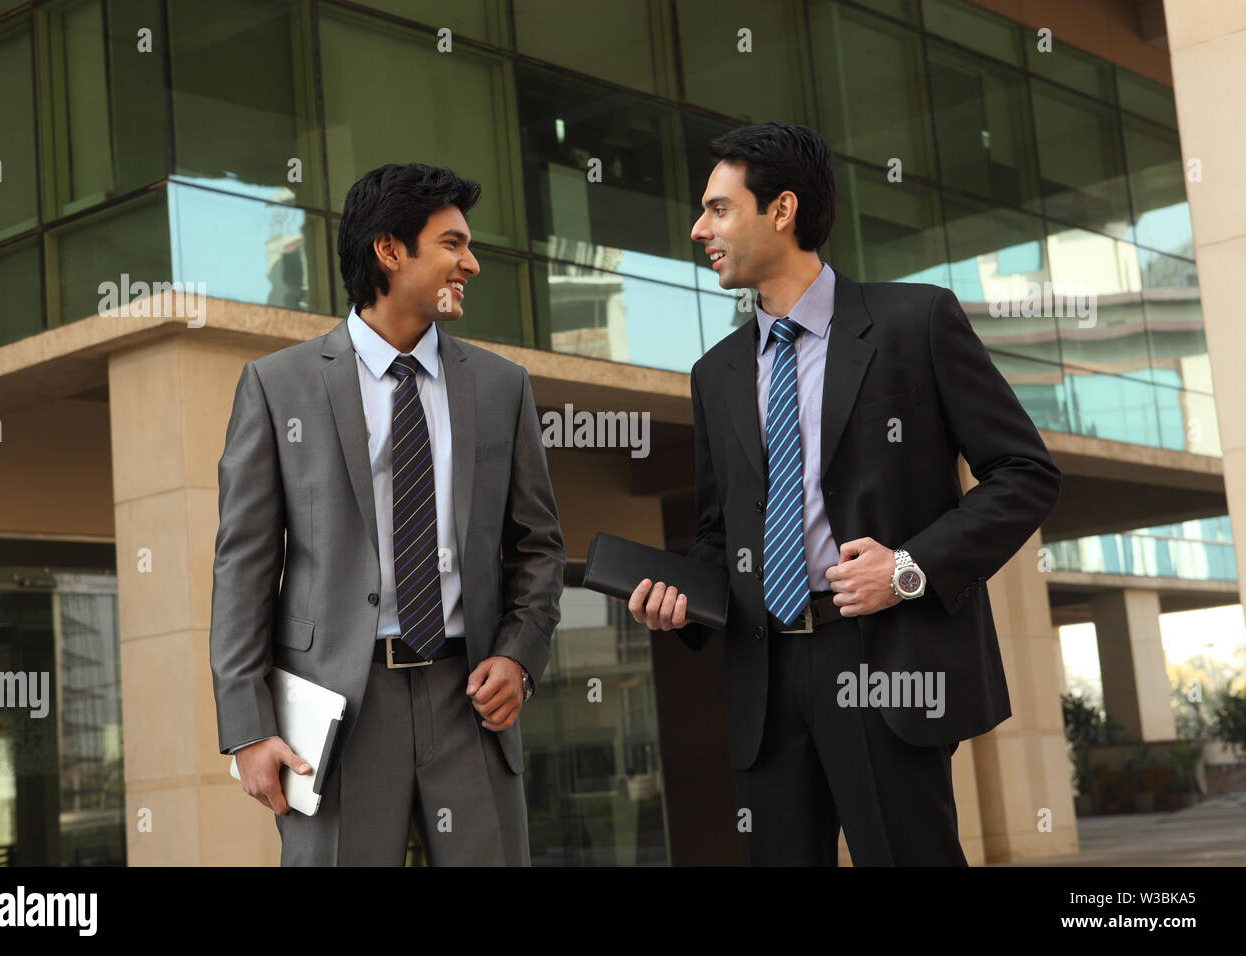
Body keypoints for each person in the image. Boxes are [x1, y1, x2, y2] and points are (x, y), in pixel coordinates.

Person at [629, 123, 1061, 865]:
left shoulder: (915, 321)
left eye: (719, 209)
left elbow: (1025, 473)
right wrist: (682, 600)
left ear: (783, 210)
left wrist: (908, 568)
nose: (700, 229)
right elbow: (717, 533)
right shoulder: (716, 373)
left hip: (884, 663)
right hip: (765, 681)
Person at [210, 163, 565, 865]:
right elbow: (244, 565)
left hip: (469, 698)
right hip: (338, 712)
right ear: (390, 250)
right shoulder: (276, 386)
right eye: (452, 244)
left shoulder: (501, 387)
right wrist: (247, 728)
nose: (472, 262)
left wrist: (519, 658)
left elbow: (539, 548)